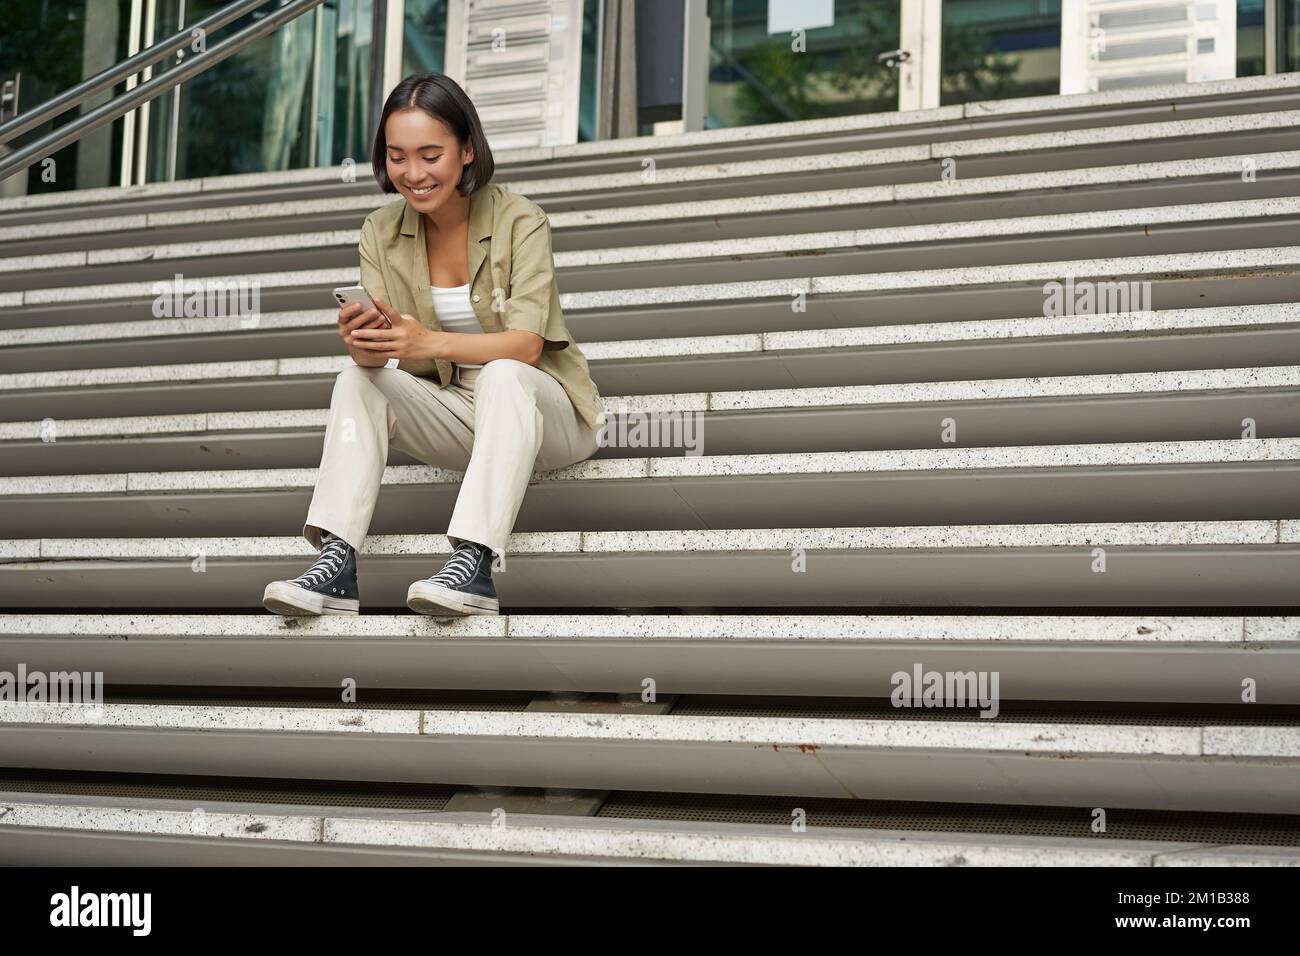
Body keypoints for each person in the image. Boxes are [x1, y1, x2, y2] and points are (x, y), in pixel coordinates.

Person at [262, 73, 605, 617]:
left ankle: (474, 563)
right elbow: (384, 354)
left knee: (503, 373)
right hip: (457, 412)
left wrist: (426, 340)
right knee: (355, 380)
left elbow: (528, 346)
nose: (413, 174)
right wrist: (364, 344)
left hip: (545, 412)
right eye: (397, 156)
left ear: (467, 150)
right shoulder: (380, 230)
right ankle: (337, 565)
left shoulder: (521, 220)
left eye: (430, 155)